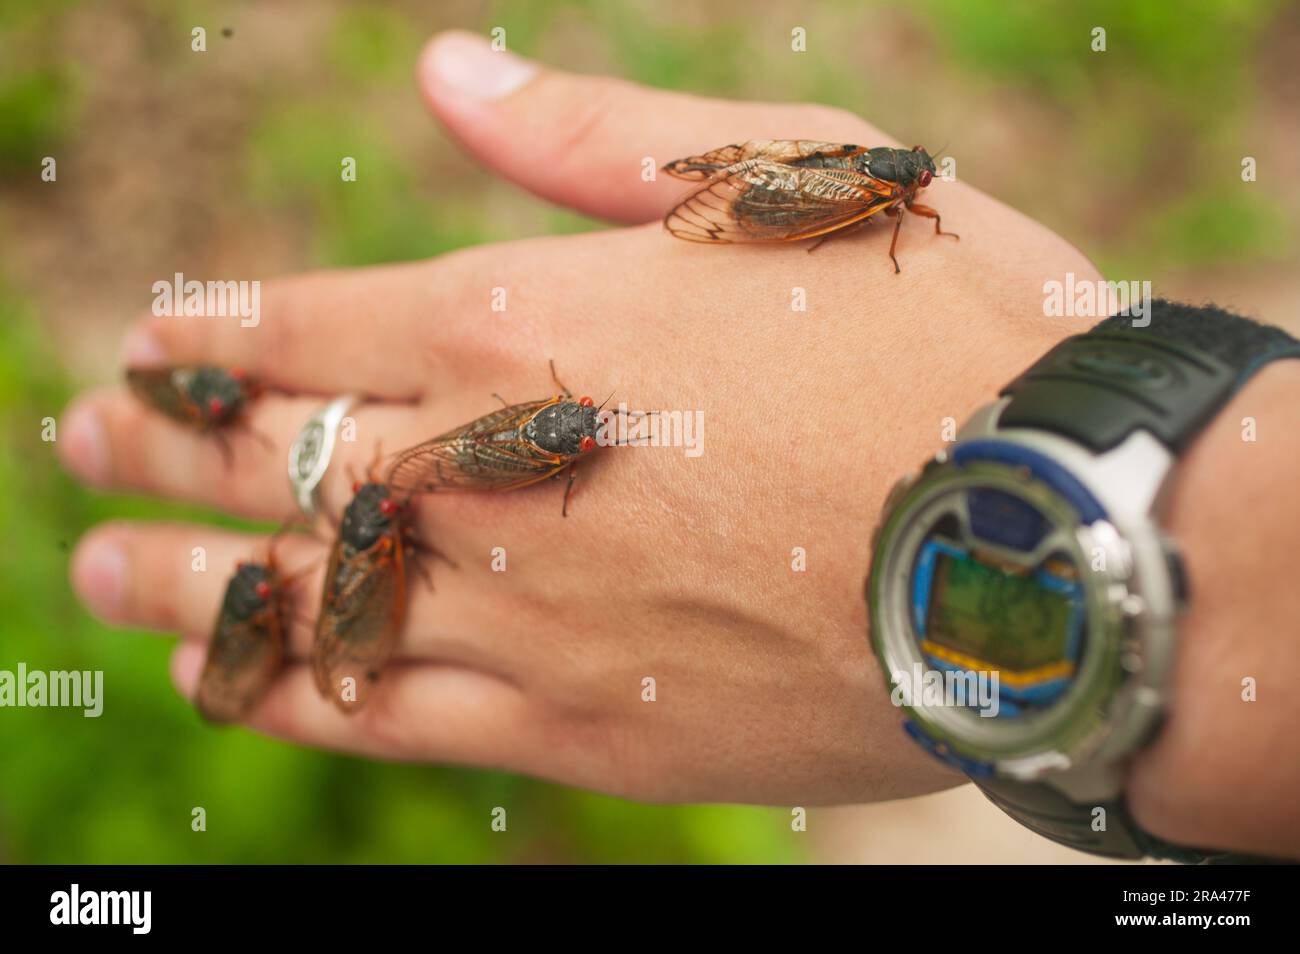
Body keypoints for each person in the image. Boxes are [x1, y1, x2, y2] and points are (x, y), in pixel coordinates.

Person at [58, 31, 1300, 858]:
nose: (915, 187)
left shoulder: (882, 199)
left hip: (698, 297)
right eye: (912, 180)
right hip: (607, 367)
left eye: (908, 181)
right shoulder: (874, 196)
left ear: (898, 184)